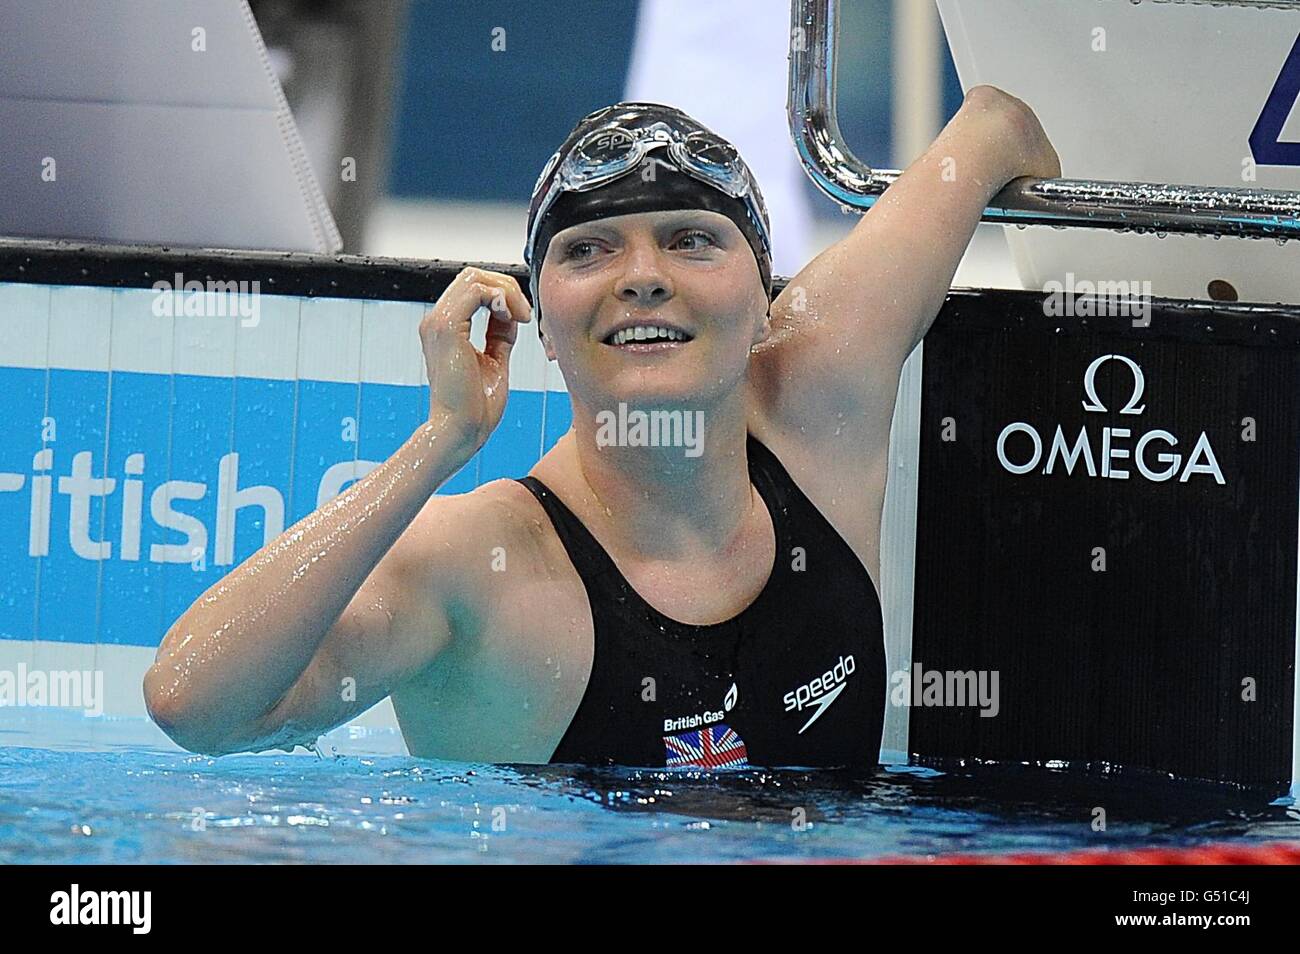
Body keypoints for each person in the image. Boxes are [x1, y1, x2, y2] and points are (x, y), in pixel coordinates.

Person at [144, 90, 1060, 769]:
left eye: (692, 240)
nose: (643, 276)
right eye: (588, 250)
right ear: (539, 314)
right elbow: (198, 707)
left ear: (761, 293)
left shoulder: (818, 398)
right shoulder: (483, 564)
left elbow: (992, 127)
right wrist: (439, 444)